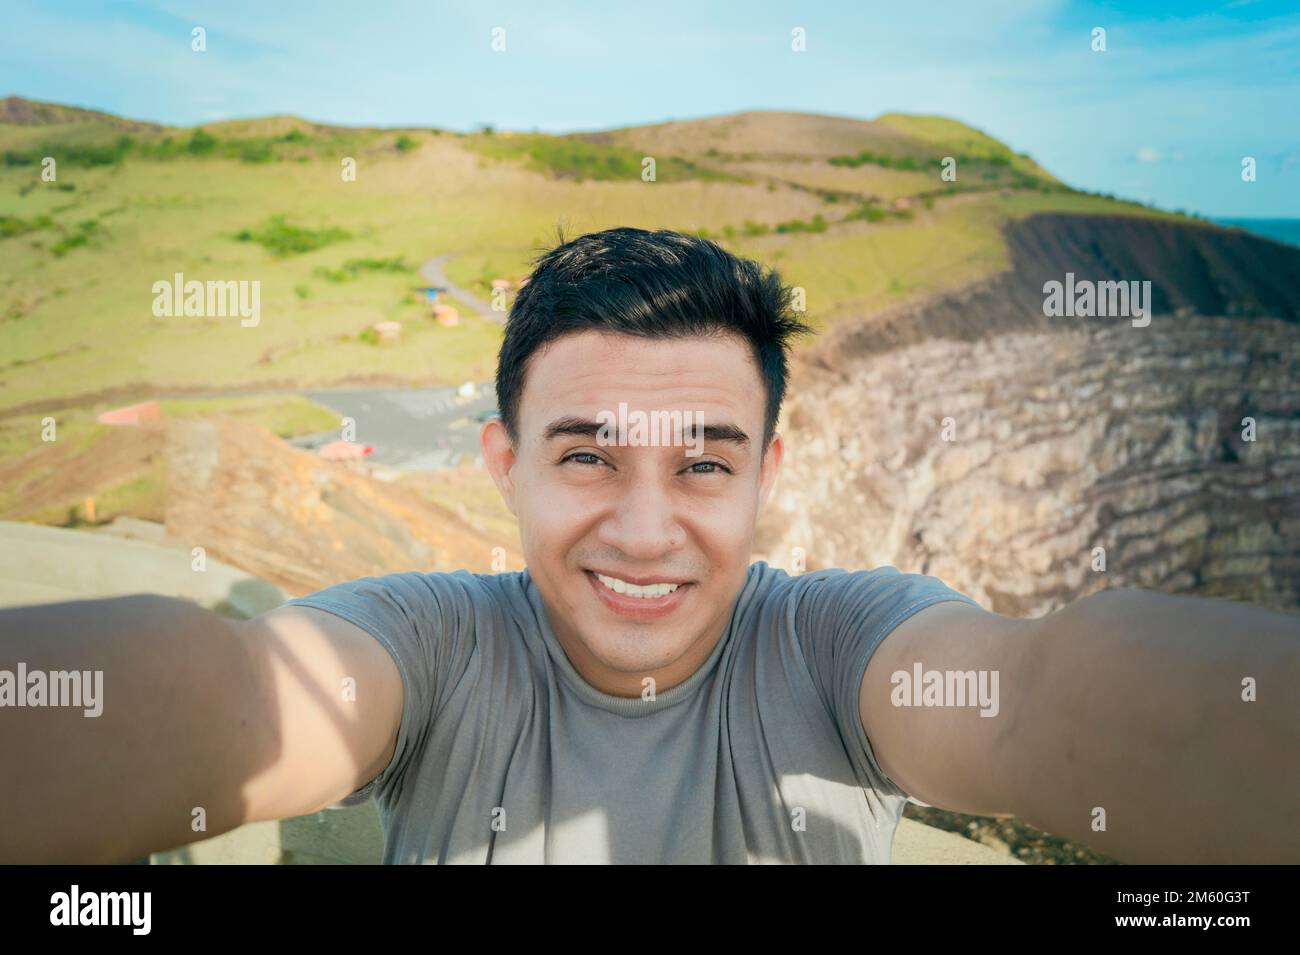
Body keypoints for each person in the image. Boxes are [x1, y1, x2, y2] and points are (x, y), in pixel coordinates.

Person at [2, 227, 1296, 864]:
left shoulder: (840, 643)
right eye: (585, 457)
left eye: (703, 465)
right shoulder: (436, 646)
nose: (642, 528)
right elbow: (239, 699)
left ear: (767, 479)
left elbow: (1037, 701)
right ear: (501, 465)